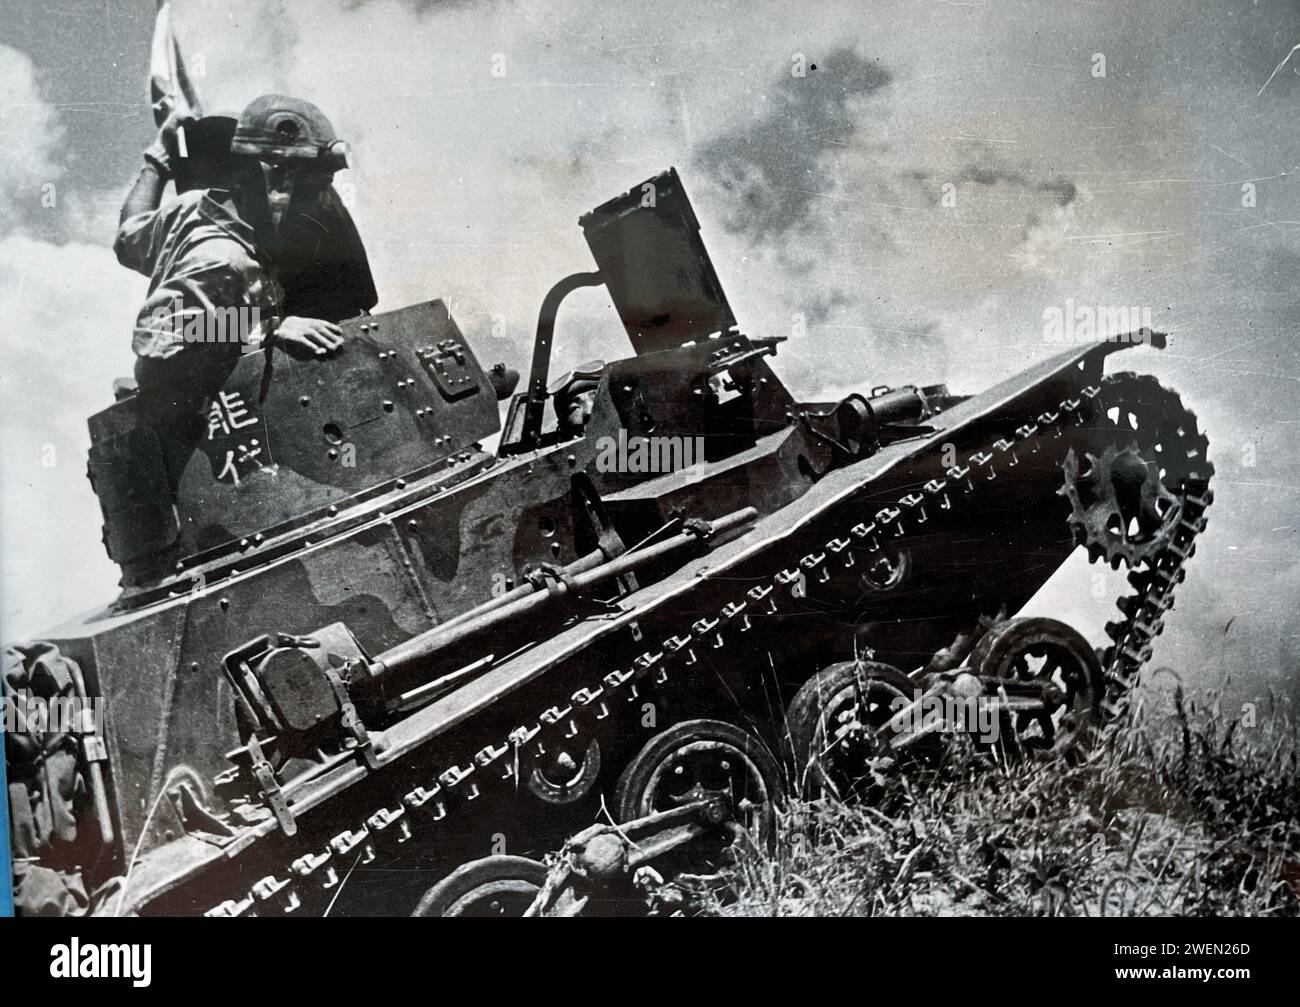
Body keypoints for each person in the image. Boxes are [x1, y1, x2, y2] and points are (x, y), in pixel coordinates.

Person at [114, 95, 370, 405]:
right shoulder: (221, 257)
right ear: (257, 179)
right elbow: (159, 338)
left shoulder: (195, 206)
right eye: (306, 189)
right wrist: (266, 329)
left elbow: (130, 238)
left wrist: (157, 161)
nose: (316, 204)